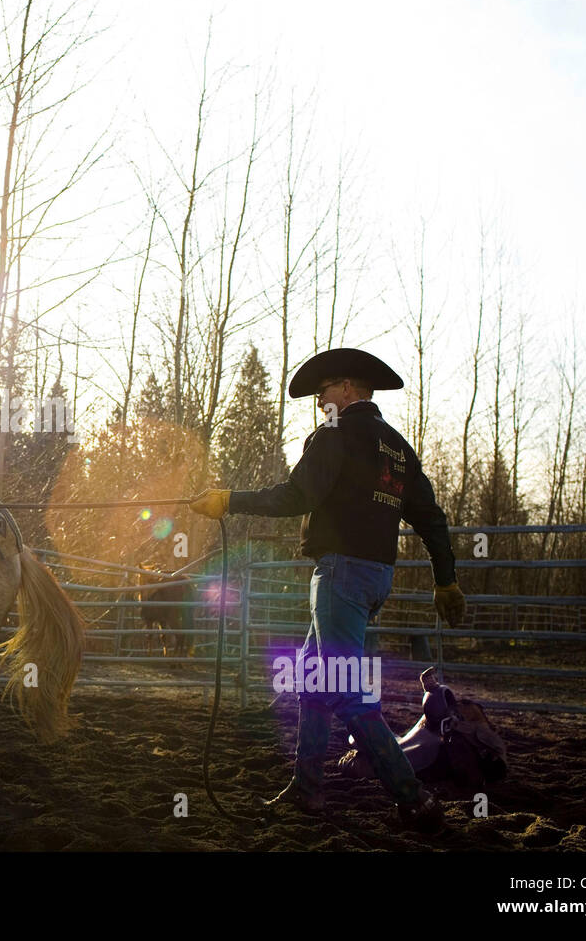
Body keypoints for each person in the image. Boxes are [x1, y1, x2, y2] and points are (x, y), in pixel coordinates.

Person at [190, 347, 466, 833]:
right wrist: (446, 578)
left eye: (324, 392)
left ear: (348, 389)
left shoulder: (335, 435)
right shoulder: (398, 448)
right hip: (375, 577)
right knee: (315, 680)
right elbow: (431, 518)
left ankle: (413, 797)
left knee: (341, 687)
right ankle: (306, 786)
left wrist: (229, 500)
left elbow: (297, 496)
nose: (320, 403)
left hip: (338, 574)